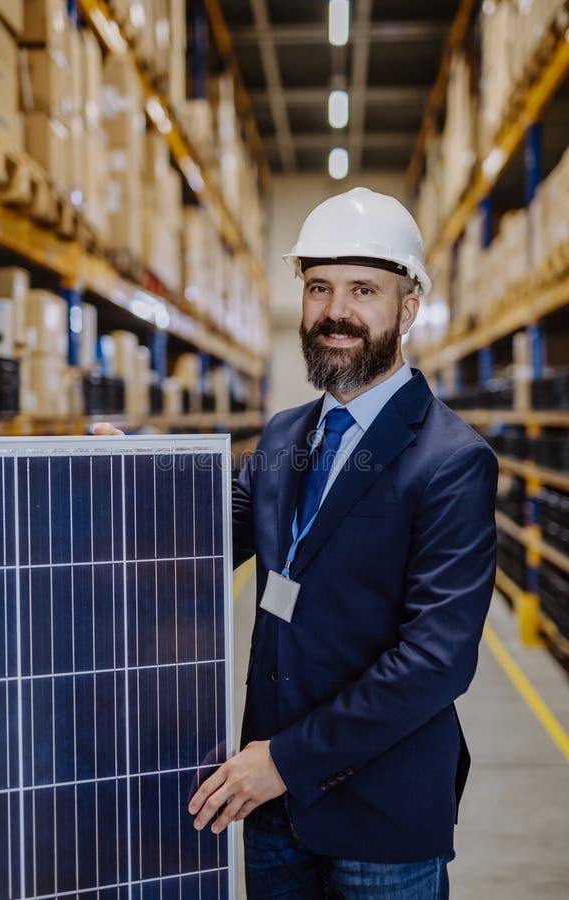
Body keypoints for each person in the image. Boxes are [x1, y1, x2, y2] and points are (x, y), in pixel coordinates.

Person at [97, 187, 498, 899]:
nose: (336, 311)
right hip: (273, 809)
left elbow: (436, 662)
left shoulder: (450, 460)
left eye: (363, 290)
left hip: (379, 814)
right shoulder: (286, 437)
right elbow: (200, 542)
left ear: (407, 308)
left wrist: (282, 760)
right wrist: (124, 481)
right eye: (319, 287)